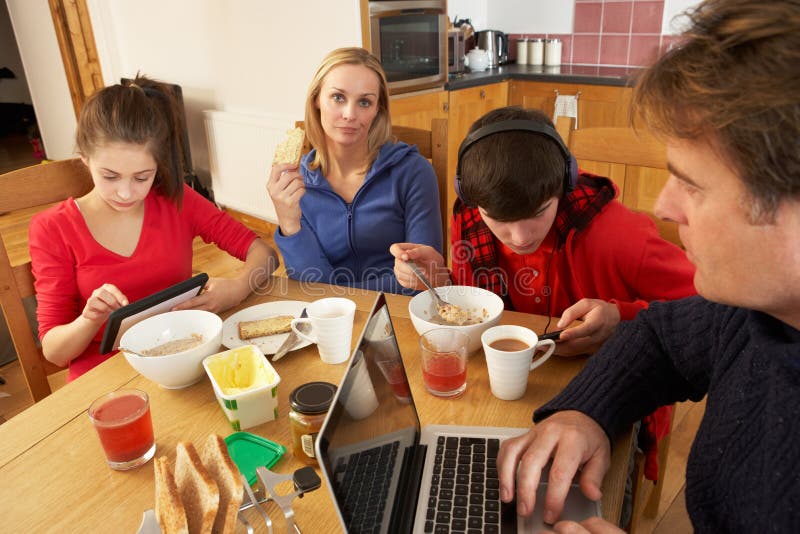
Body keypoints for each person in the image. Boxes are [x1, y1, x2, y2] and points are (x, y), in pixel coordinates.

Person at [495, 0, 800, 532]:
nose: (662, 207)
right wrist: (583, 412)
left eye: (692, 184)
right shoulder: (756, 313)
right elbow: (661, 337)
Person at [29, 76, 279, 381]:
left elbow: (263, 253)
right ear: (85, 158)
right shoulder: (53, 228)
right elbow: (54, 352)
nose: (126, 193)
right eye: (110, 176)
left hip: (182, 355)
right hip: (105, 375)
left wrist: (238, 289)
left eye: (141, 177)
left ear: (158, 166)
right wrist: (88, 320)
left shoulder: (176, 199)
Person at [392, 106, 695, 357]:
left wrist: (624, 320)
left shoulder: (620, 234)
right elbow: (480, 303)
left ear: (565, 182)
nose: (521, 237)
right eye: (497, 218)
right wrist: (441, 280)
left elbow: (710, 308)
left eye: (538, 212)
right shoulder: (470, 222)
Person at [268, 47, 442, 295]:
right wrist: (288, 223)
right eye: (338, 97)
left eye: (364, 102)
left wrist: (336, 294)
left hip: (397, 315)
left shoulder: (414, 172)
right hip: (327, 319)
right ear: (317, 99)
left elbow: (421, 283)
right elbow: (308, 286)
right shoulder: (295, 183)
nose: (350, 114)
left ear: (377, 109)